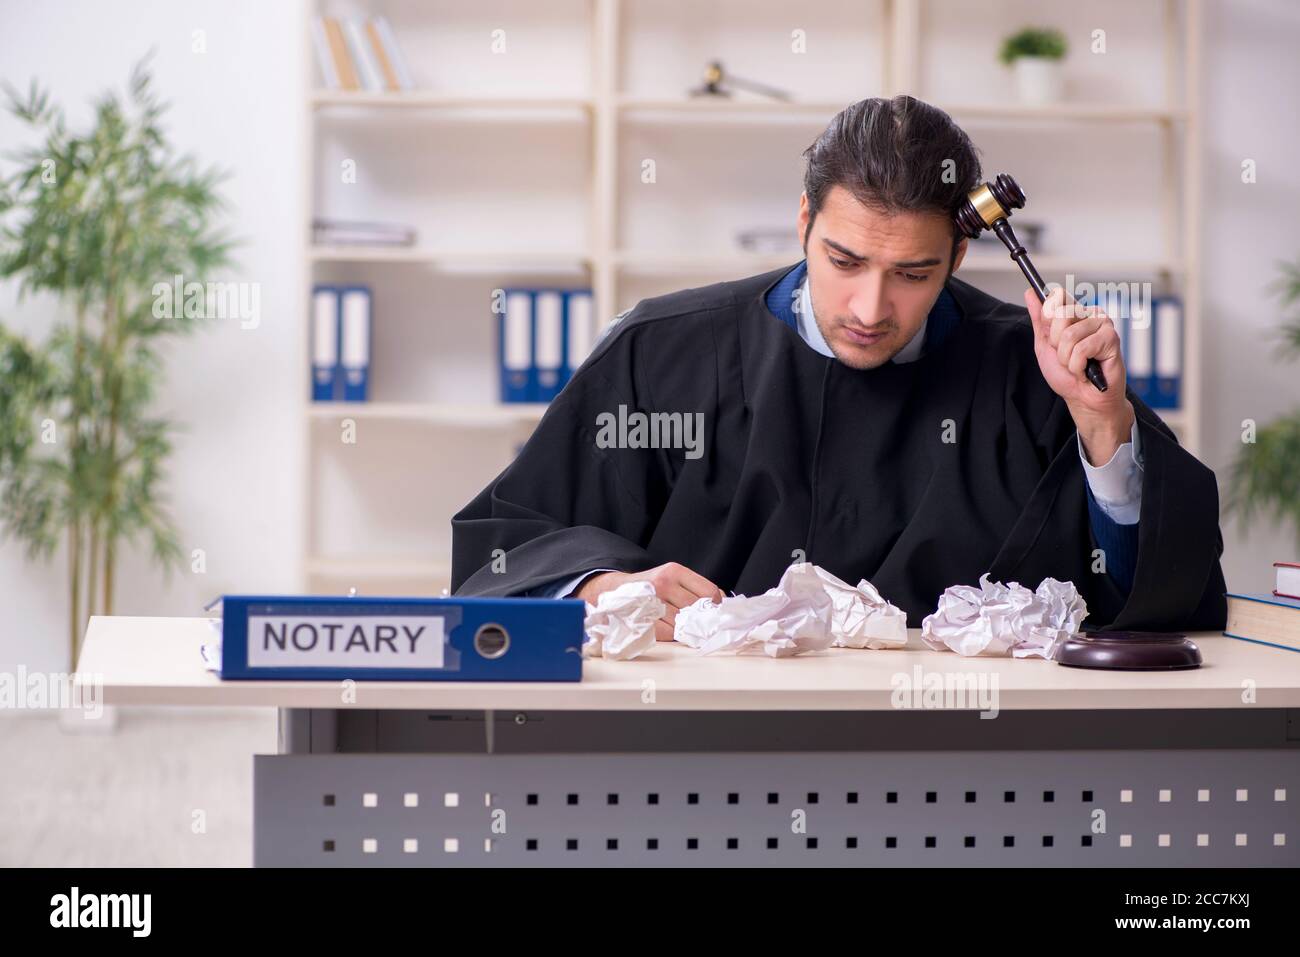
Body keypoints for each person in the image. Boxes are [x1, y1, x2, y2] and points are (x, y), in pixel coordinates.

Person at [451, 95, 1227, 642]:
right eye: (844, 259)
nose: (869, 305)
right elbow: (503, 543)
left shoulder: (1032, 374)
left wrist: (1102, 425)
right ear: (803, 223)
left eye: (914, 273)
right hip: (690, 745)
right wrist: (596, 586)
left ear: (960, 253)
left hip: (971, 760)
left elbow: (1158, 599)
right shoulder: (663, 352)